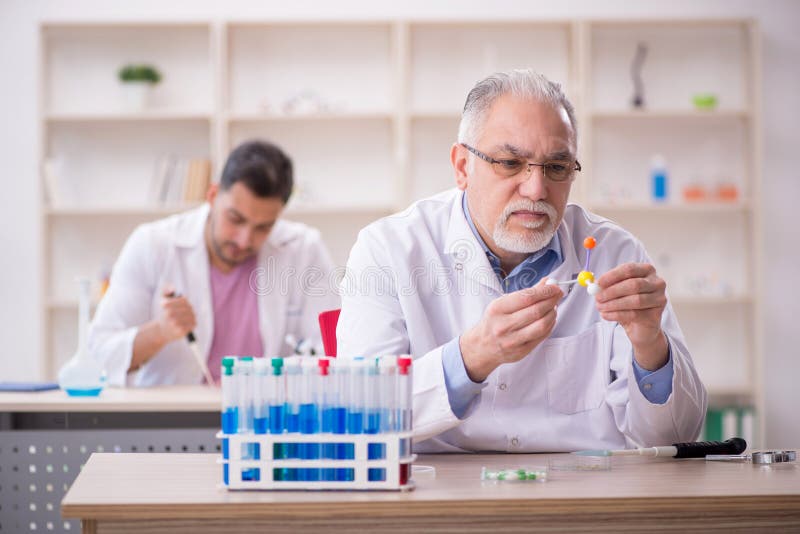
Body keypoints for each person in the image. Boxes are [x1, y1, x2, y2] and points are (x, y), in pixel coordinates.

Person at [337, 70, 707, 453]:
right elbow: (361, 415)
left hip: (587, 494)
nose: (536, 189)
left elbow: (677, 438)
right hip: (441, 497)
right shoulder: (387, 250)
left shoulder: (615, 254)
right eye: (511, 163)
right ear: (462, 167)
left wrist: (650, 345)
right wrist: (473, 356)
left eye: (557, 167)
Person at [90, 140, 339, 386]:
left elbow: (333, 353)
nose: (244, 240)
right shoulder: (152, 244)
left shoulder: (305, 249)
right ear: (212, 195)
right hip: (174, 417)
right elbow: (99, 357)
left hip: (266, 416)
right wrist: (160, 332)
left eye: (263, 227)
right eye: (235, 219)